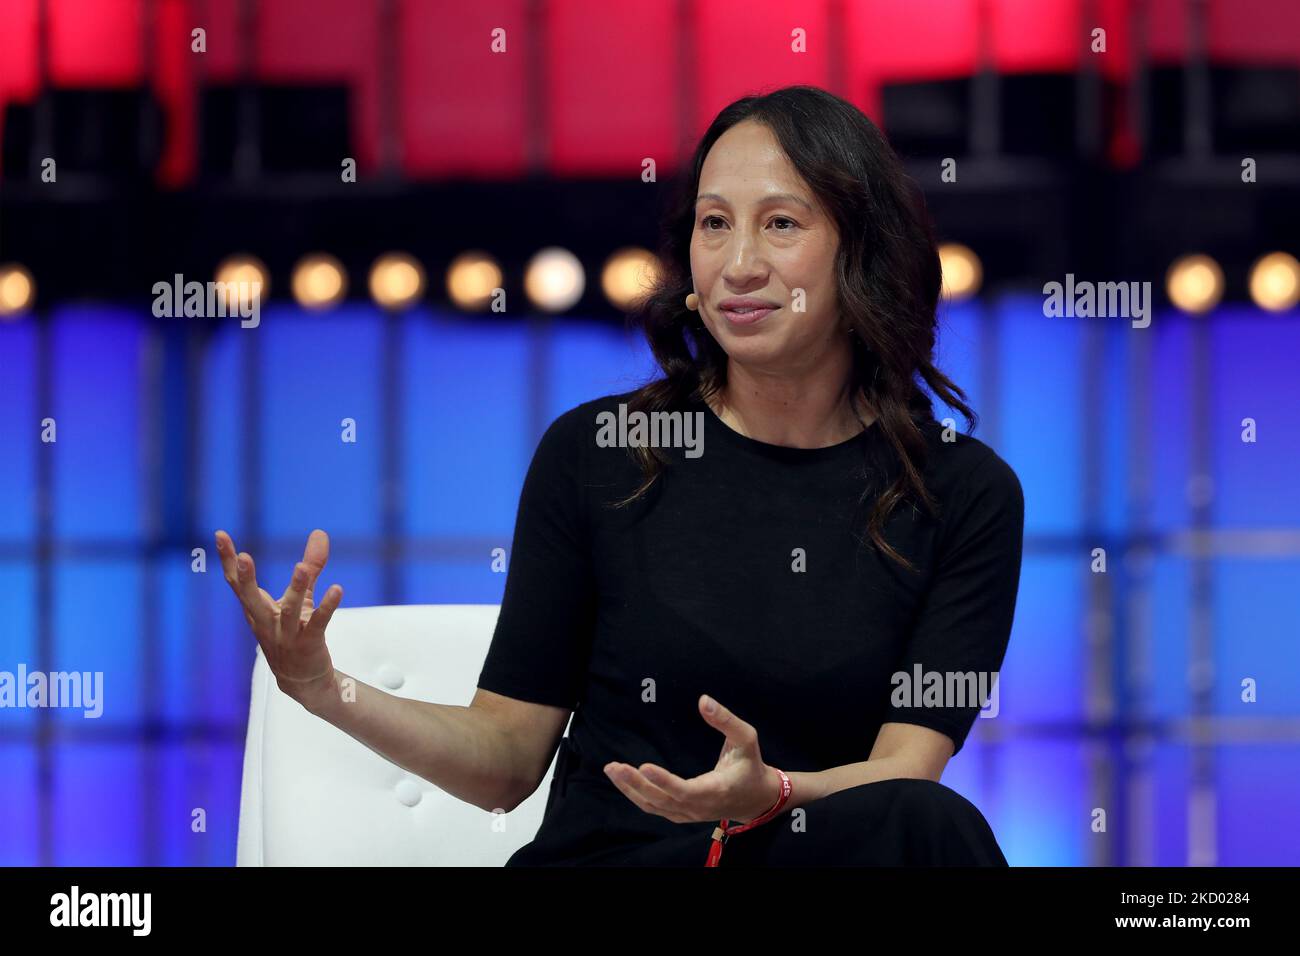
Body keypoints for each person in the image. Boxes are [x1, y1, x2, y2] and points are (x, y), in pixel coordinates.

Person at [216, 85, 1024, 867]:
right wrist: (324, 688)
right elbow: (504, 758)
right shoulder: (600, 453)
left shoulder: (961, 493)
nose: (738, 264)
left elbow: (904, 776)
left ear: (863, 251)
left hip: (813, 858)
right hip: (614, 861)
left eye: (780, 224)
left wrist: (772, 794)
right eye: (714, 225)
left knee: (929, 824)